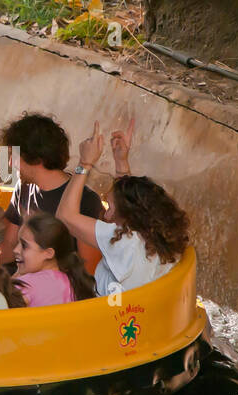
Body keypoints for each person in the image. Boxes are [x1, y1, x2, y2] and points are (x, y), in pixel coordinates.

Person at [56, 118, 191, 297]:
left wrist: (85, 164)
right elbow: (128, 200)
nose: (106, 213)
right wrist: (121, 162)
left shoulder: (122, 240)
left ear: (128, 215)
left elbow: (65, 216)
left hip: (109, 316)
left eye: (109, 206)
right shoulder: (157, 237)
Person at [0, 112, 104, 273]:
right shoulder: (23, 187)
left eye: (14, 156)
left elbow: (89, 270)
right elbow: (9, 247)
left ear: (35, 157)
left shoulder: (86, 200)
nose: (11, 163)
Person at [13, 212, 97, 306]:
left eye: (24, 246)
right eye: (18, 243)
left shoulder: (26, 285)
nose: (15, 250)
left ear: (48, 253)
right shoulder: (73, 281)